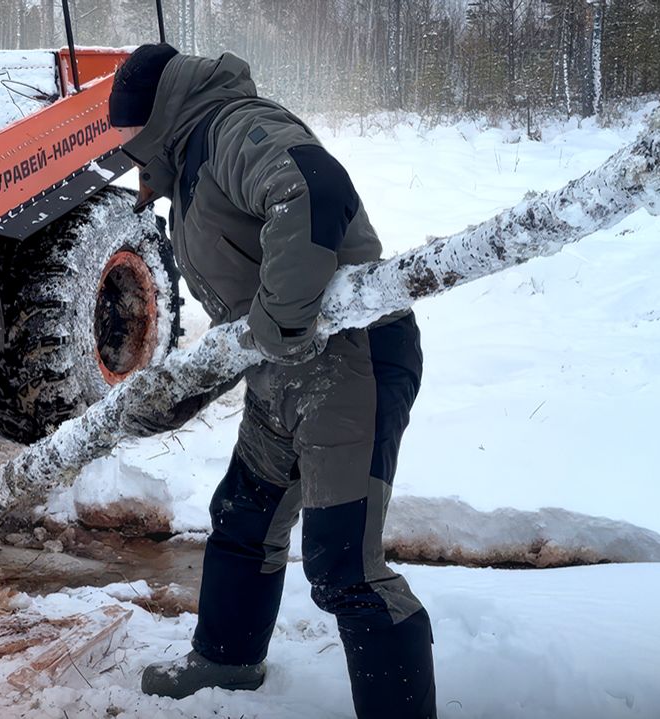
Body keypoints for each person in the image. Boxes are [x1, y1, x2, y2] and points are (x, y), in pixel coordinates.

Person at [108, 44, 436, 718]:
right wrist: (179, 396)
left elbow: (314, 188)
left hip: (352, 360)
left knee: (345, 565)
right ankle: (225, 663)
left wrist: (282, 320)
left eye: (127, 134)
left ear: (153, 117)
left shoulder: (232, 127)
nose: (126, 151)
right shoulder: (192, 164)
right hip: (286, 373)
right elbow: (241, 320)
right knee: (242, 516)